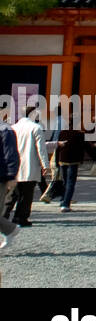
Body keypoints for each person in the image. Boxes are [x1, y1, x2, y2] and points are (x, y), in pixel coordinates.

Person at [3, 106, 47, 228]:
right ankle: (20, 218)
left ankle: (3, 216)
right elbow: (41, 149)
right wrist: (45, 165)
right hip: (29, 165)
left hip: (15, 166)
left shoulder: (13, 128)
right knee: (27, 194)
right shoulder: (36, 127)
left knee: (12, 194)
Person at [55, 123, 85, 212]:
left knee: (65, 181)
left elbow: (58, 147)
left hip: (62, 159)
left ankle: (63, 199)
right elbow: (82, 148)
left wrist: (57, 160)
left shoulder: (62, 133)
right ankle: (66, 204)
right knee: (70, 183)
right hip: (73, 160)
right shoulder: (79, 134)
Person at [0, 104, 19, 248]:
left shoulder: (5, 130)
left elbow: (11, 154)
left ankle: (10, 229)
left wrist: (12, 176)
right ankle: (10, 229)